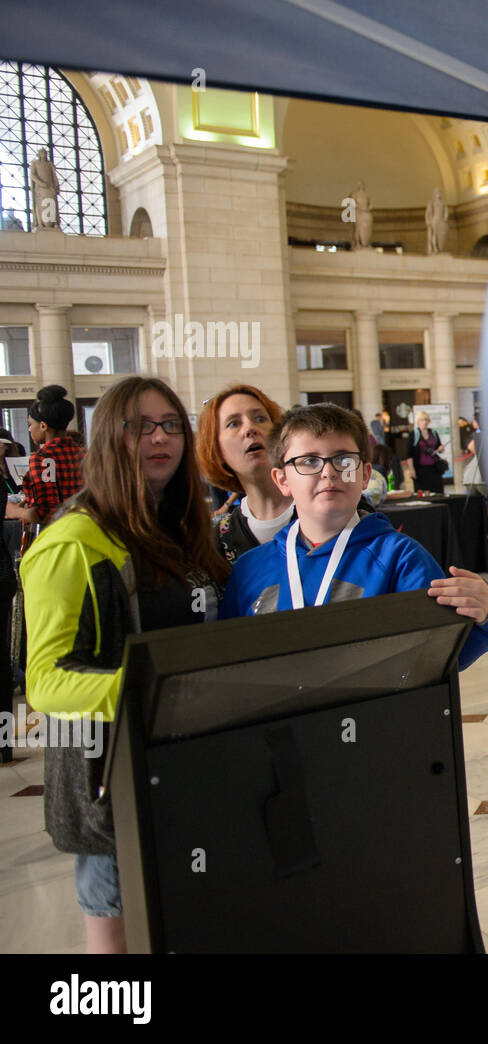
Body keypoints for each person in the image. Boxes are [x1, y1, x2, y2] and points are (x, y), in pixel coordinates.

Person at [21, 376, 227, 953]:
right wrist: (157, 692)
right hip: (112, 784)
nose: (159, 438)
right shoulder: (74, 541)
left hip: (190, 767)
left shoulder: (185, 527)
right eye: (139, 426)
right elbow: (47, 681)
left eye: (170, 425)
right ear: (109, 437)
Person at [219, 404, 488, 670]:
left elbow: (440, 658)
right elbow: (224, 662)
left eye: (343, 460)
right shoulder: (249, 569)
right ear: (282, 480)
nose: (328, 472)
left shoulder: (400, 558)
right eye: (308, 461)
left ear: (365, 474)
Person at [197, 384, 291, 564]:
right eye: (233, 424)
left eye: (260, 419)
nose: (250, 428)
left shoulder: (329, 508)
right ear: (217, 450)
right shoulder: (219, 541)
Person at [5, 385, 84, 535]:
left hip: (56, 535)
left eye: (30, 424)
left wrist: (15, 511)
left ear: (43, 426)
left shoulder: (42, 459)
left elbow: (44, 513)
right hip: (84, 530)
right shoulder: (84, 455)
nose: (29, 429)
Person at [408, 411, 446, 493]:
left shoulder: (433, 433)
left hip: (434, 469)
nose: (424, 422)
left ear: (429, 421)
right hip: (420, 470)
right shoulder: (414, 434)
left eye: (426, 420)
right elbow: (409, 454)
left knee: (438, 492)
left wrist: (441, 449)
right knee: (422, 494)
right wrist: (411, 470)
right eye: (422, 420)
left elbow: (439, 448)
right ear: (418, 422)